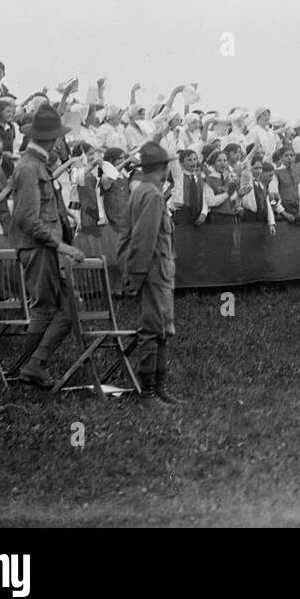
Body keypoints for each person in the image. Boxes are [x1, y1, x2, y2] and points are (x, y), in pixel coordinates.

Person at [9, 104, 86, 388]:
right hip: (41, 247)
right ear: (53, 140)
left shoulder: (36, 165)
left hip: (45, 247)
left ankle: (33, 366)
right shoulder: (30, 168)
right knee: (53, 307)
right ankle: (33, 366)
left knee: (62, 306)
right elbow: (27, 218)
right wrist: (61, 246)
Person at [119, 141, 181, 403]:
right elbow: (143, 239)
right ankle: (148, 393)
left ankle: (159, 390)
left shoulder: (144, 190)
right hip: (153, 271)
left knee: (163, 331)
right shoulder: (153, 195)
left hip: (157, 270)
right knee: (153, 331)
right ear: (164, 168)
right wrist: (136, 276)